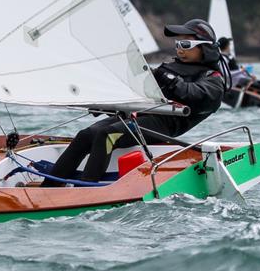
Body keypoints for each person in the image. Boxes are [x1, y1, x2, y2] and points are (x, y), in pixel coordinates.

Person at [41, 19, 227, 187]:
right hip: (140, 118)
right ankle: (49, 187)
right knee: (85, 135)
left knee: (107, 135)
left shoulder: (213, 79)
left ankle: (85, 191)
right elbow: (139, 90)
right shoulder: (171, 69)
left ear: (205, 48)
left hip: (163, 126)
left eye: (186, 44)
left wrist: (170, 79)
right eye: (178, 43)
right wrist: (109, 104)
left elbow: (195, 94)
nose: (179, 49)